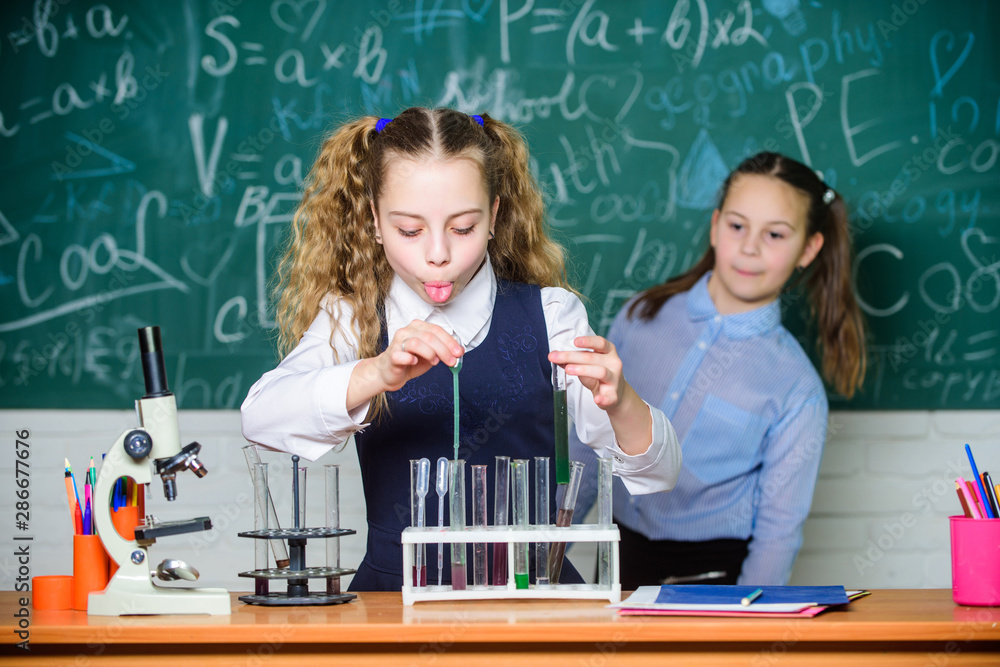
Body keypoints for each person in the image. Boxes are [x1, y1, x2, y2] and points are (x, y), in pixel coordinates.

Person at [241, 107, 682, 592]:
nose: (437, 254)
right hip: (395, 601)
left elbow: (659, 475)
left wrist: (622, 403)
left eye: (463, 228)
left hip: (535, 597)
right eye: (410, 230)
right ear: (373, 220)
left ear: (493, 216)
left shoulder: (552, 315)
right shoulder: (352, 318)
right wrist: (377, 373)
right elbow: (260, 418)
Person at [571, 151, 867, 588]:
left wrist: (746, 629)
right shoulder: (641, 317)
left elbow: (778, 531)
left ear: (808, 248)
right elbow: (589, 441)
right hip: (618, 555)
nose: (749, 247)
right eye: (737, 226)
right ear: (714, 226)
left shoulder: (796, 387)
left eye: (775, 234)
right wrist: (545, 546)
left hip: (709, 574)